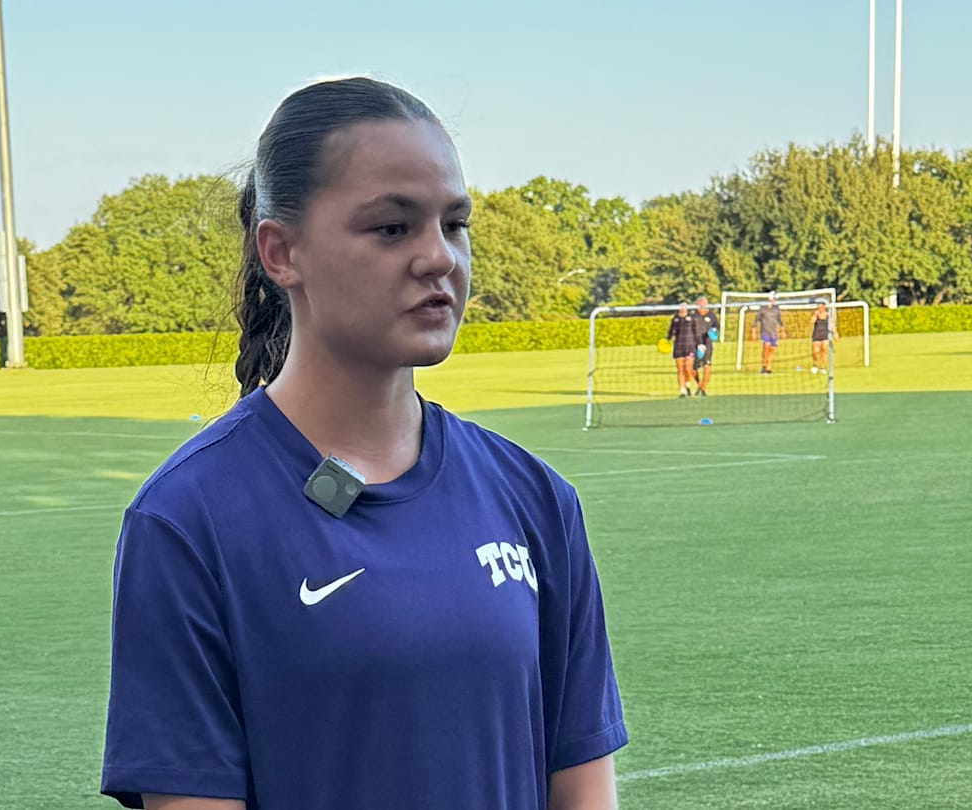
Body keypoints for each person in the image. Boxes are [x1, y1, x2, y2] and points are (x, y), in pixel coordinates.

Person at [101, 78, 626, 810]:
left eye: (455, 223)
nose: (438, 257)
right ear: (281, 252)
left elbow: (583, 786)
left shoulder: (535, 499)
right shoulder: (188, 519)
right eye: (392, 228)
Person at [666, 302, 699, 397]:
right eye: (681, 306)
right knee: (680, 369)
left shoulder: (692, 318)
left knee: (688, 368)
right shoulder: (675, 319)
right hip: (678, 347)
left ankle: (687, 383)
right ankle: (682, 390)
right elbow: (670, 333)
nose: (682, 308)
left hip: (690, 346)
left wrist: (699, 344)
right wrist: (666, 341)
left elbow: (696, 333)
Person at [690, 296, 720, 396]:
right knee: (693, 369)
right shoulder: (693, 316)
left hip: (707, 345)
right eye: (699, 304)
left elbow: (716, 327)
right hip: (695, 345)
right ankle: (700, 386)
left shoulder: (711, 315)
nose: (701, 306)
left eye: (703, 304)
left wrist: (713, 332)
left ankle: (702, 388)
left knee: (707, 366)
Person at [751, 291, 784, 374]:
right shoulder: (763, 309)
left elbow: (779, 320)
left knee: (771, 349)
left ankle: (769, 367)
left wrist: (782, 330)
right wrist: (753, 331)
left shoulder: (776, 310)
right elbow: (756, 320)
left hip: (773, 333)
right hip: (765, 332)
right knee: (766, 347)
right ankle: (764, 366)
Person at [809, 299, 836, 373]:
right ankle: (815, 365)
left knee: (824, 351)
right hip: (816, 335)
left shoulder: (828, 315)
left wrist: (835, 333)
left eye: (820, 305)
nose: (819, 307)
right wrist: (815, 315)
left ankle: (823, 368)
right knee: (815, 352)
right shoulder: (815, 314)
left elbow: (832, 325)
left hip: (825, 336)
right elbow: (811, 322)